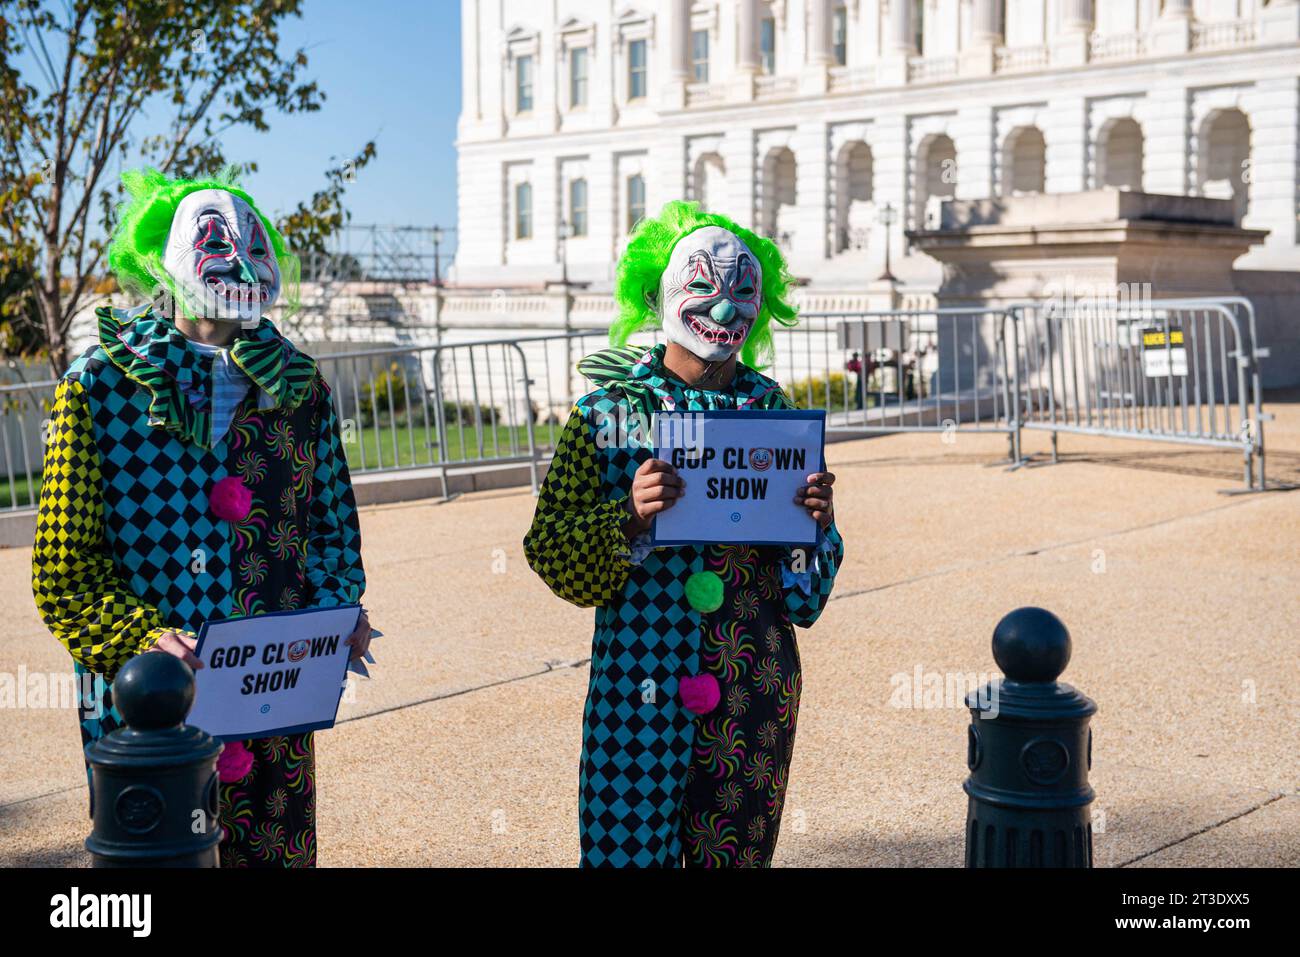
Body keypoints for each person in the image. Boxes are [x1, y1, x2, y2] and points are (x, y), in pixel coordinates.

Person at [32, 168, 371, 867]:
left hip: (271, 713)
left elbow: (332, 535)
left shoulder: (300, 388)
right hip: (151, 720)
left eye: (253, 243)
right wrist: (146, 637)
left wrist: (335, 615)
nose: (239, 258)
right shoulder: (98, 388)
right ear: (165, 259)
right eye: (217, 241)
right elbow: (64, 573)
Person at [524, 201, 844, 867]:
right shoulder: (607, 414)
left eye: (743, 289)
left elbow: (805, 598)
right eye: (703, 285)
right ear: (656, 292)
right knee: (627, 853)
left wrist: (817, 527)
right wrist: (629, 517)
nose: (725, 308)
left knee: (735, 854)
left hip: (752, 689)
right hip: (640, 690)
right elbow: (550, 548)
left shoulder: (775, 412)